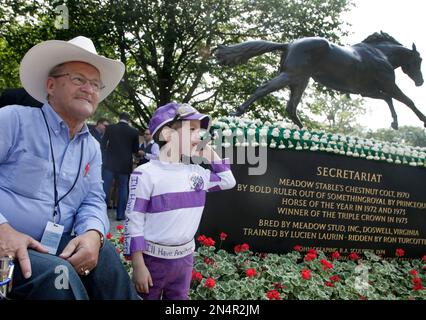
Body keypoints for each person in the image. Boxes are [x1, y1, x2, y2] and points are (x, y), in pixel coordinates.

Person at [0, 36, 139, 300]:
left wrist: (93, 233)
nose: (89, 89)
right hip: (6, 247)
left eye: (96, 84)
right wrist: (2, 229)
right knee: (57, 274)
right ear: (50, 85)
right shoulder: (13, 120)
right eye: (78, 79)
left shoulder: (91, 146)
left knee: (105, 255)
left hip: (52, 246)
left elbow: (93, 198)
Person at [124, 102, 236, 300]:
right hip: (152, 260)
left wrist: (211, 154)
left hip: (184, 260)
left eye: (199, 131)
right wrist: (138, 264)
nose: (199, 136)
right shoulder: (145, 173)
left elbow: (229, 181)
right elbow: (134, 220)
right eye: (191, 129)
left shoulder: (197, 173)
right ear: (167, 135)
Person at [101, 112, 139, 221]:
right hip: (125, 164)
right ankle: (120, 214)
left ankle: (101, 212)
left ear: (119, 118)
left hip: (110, 162)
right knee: (123, 189)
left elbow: (103, 144)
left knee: (105, 188)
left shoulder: (110, 128)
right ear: (129, 119)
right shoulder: (134, 131)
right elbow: (135, 150)